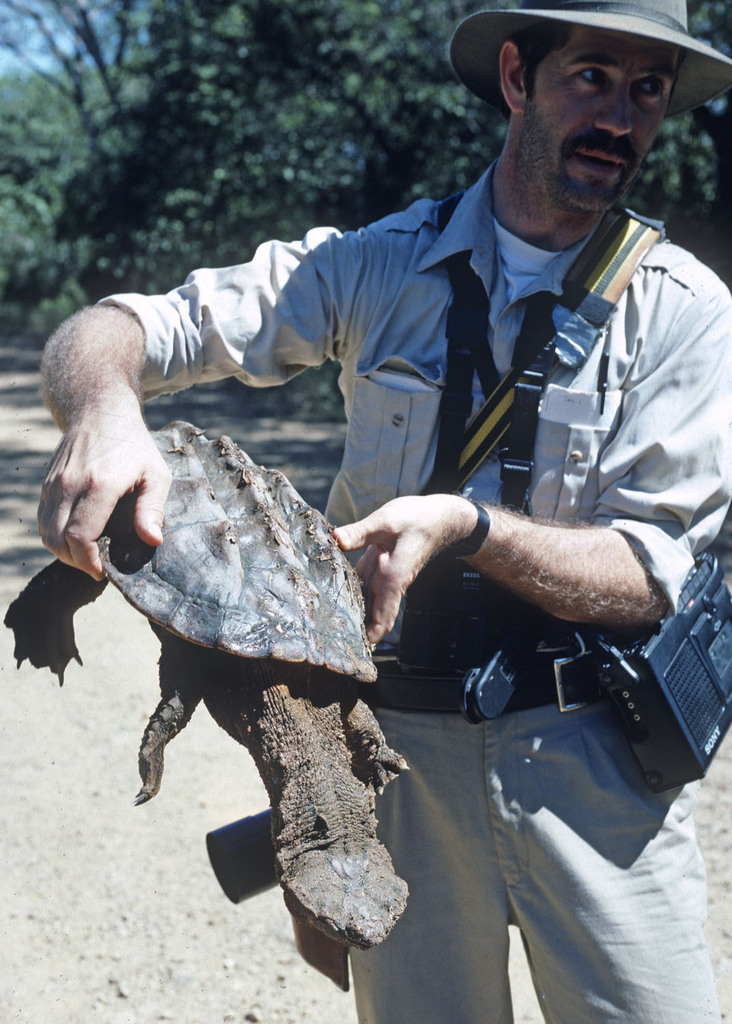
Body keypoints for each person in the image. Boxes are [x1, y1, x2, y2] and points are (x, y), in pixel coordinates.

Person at [36, 1, 732, 1020]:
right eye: (592, 76)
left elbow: (650, 572)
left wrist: (469, 527)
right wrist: (101, 409)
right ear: (514, 77)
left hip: (595, 759)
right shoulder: (370, 265)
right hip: (390, 753)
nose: (620, 117)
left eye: (648, 90)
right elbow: (124, 328)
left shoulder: (687, 311)